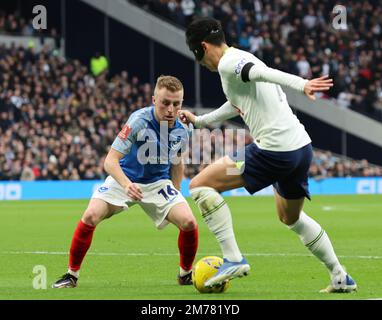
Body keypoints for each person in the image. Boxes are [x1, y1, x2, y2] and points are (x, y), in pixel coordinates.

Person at [180, 17, 357, 293]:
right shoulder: (240, 57)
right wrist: (200, 121)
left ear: (202, 47)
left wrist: (302, 84)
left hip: (274, 152)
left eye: (198, 57)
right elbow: (236, 102)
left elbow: (262, 73)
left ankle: (233, 259)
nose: (202, 64)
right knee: (290, 218)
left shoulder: (229, 63)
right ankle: (340, 275)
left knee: (200, 185)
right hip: (300, 149)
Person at [53, 76, 198, 288]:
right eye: (165, 102)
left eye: (176, 104)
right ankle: (71, 275)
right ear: (153, 100)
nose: (170, 109)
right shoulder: (138, 121)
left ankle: (185, 274)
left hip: (158, 183)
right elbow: (110, 161)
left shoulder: (184, 128)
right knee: (91, 215)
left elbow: (177, 162)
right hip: (125, 179)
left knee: (189, 222)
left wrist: (176, 193)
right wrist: (126, 184)